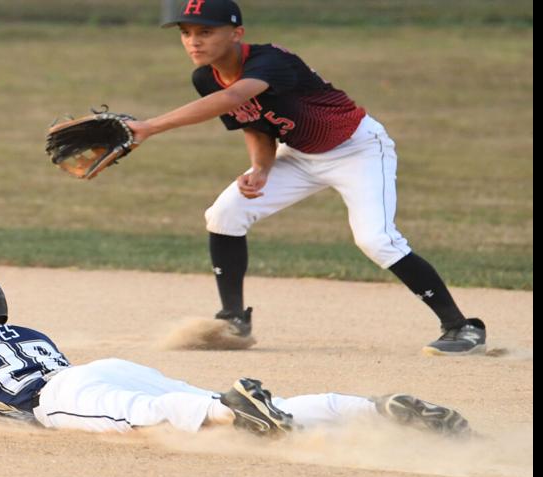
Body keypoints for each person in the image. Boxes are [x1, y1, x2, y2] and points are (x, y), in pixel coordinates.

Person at [120, 0, 487, 356]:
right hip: (298, 154)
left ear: (236, 33)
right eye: (186, 33)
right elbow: (254, 124)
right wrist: (261, 168)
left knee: (377, 240)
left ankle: (462, 328)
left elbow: (234, 97)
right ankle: (233, 320)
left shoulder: (270, 60)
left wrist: (150, 126)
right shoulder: (205, 77)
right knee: (225, 214)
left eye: (205, 32)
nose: (193, 41)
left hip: (357, 150)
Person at [0, 261, 471, 439]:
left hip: (62, 399)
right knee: (212, 402)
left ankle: (232, 410)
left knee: (153, 416)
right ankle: (369, 408)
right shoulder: (31, 334)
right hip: (104, 370)